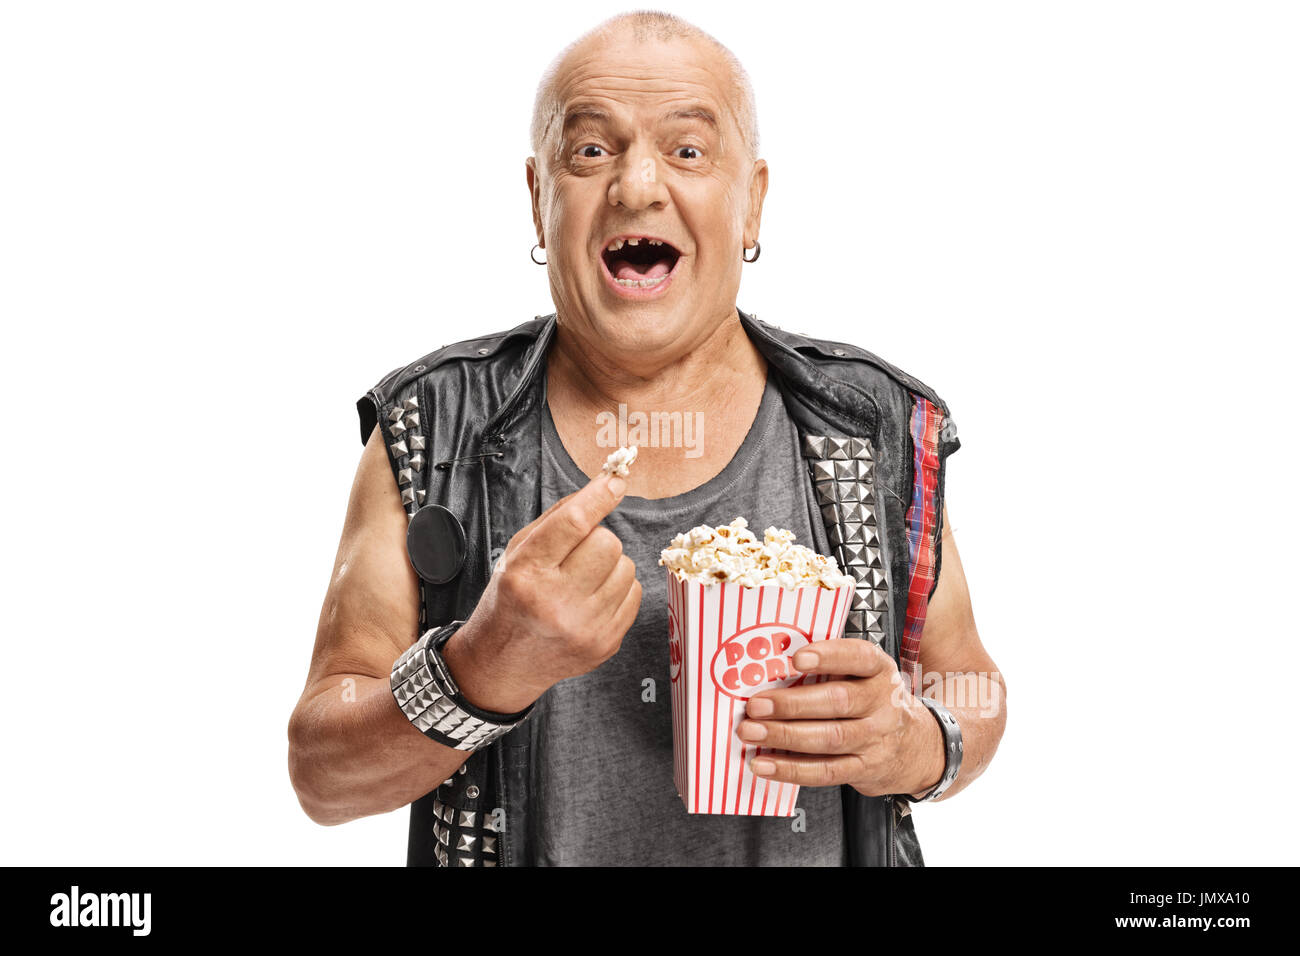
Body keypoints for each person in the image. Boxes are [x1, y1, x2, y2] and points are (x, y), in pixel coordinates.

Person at [288, 10, 1006, 866]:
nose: (636, 186)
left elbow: (968, 687)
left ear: (754, 202)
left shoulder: (875, 424)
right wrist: (480, 666)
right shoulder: (432, 426)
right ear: (537, 199)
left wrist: (912, 742)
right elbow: (321, 775)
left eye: (689, 150)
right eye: (590, 151)